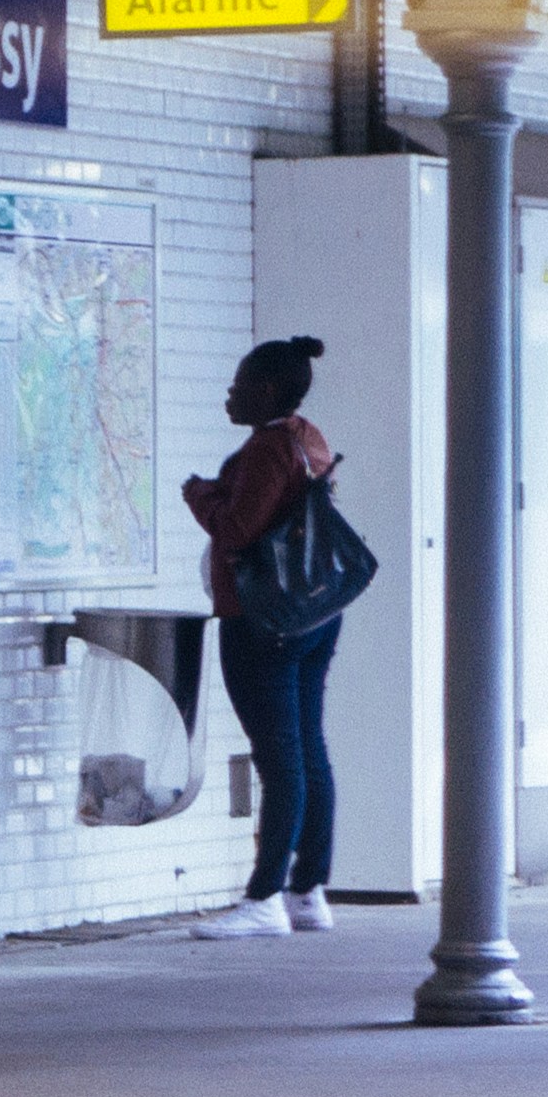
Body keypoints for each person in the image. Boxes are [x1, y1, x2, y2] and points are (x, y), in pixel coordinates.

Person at [182, 335, 341, 940]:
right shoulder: (307, 439)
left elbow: (239, 530)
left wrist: (201, 494)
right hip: (314, 613)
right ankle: (308, 891)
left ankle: (265, 897)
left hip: (262, 620)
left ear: (266, 391)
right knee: (307, 749)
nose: (229, 392)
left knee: (279, 760)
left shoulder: (268, 450)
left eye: (239, 383)